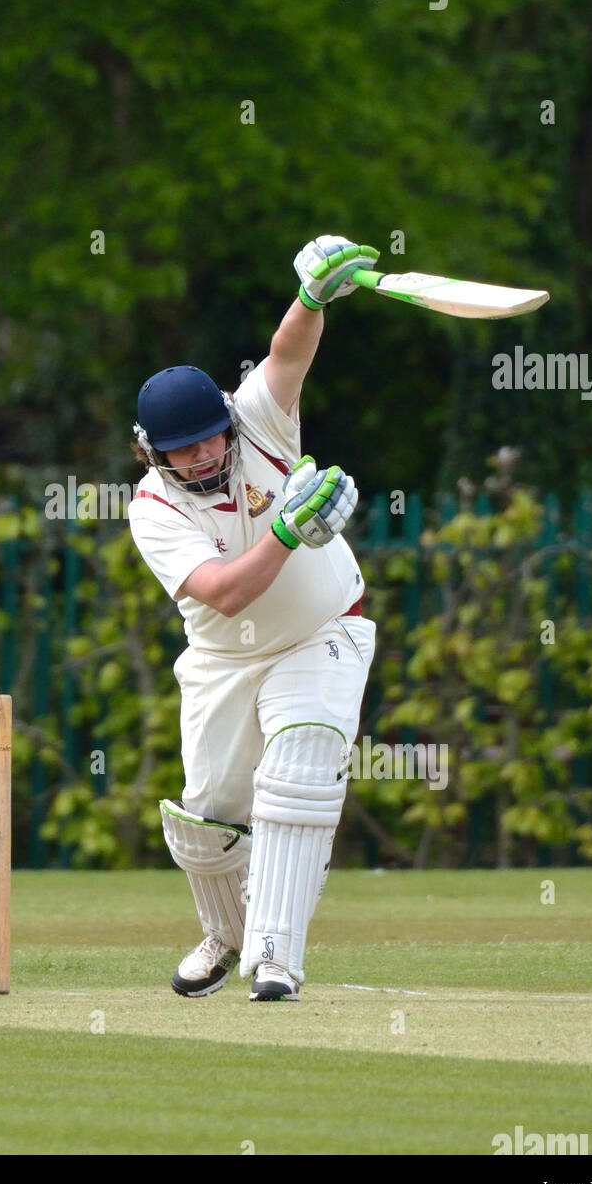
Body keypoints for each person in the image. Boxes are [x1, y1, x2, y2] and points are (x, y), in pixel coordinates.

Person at [128, 235, 380, 1001]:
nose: (203, 455)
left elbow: (287, 353)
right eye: (183, 448)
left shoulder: (260, 420)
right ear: (153, 454)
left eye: (210, 436)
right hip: (223, 658)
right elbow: (227, 593)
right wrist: (286, 532)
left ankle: (274, 958)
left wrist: (311, 296)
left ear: (228, 421)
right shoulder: (152, 510)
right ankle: (226, 934)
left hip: (322, 630)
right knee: (204, 824)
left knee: (298, 769)